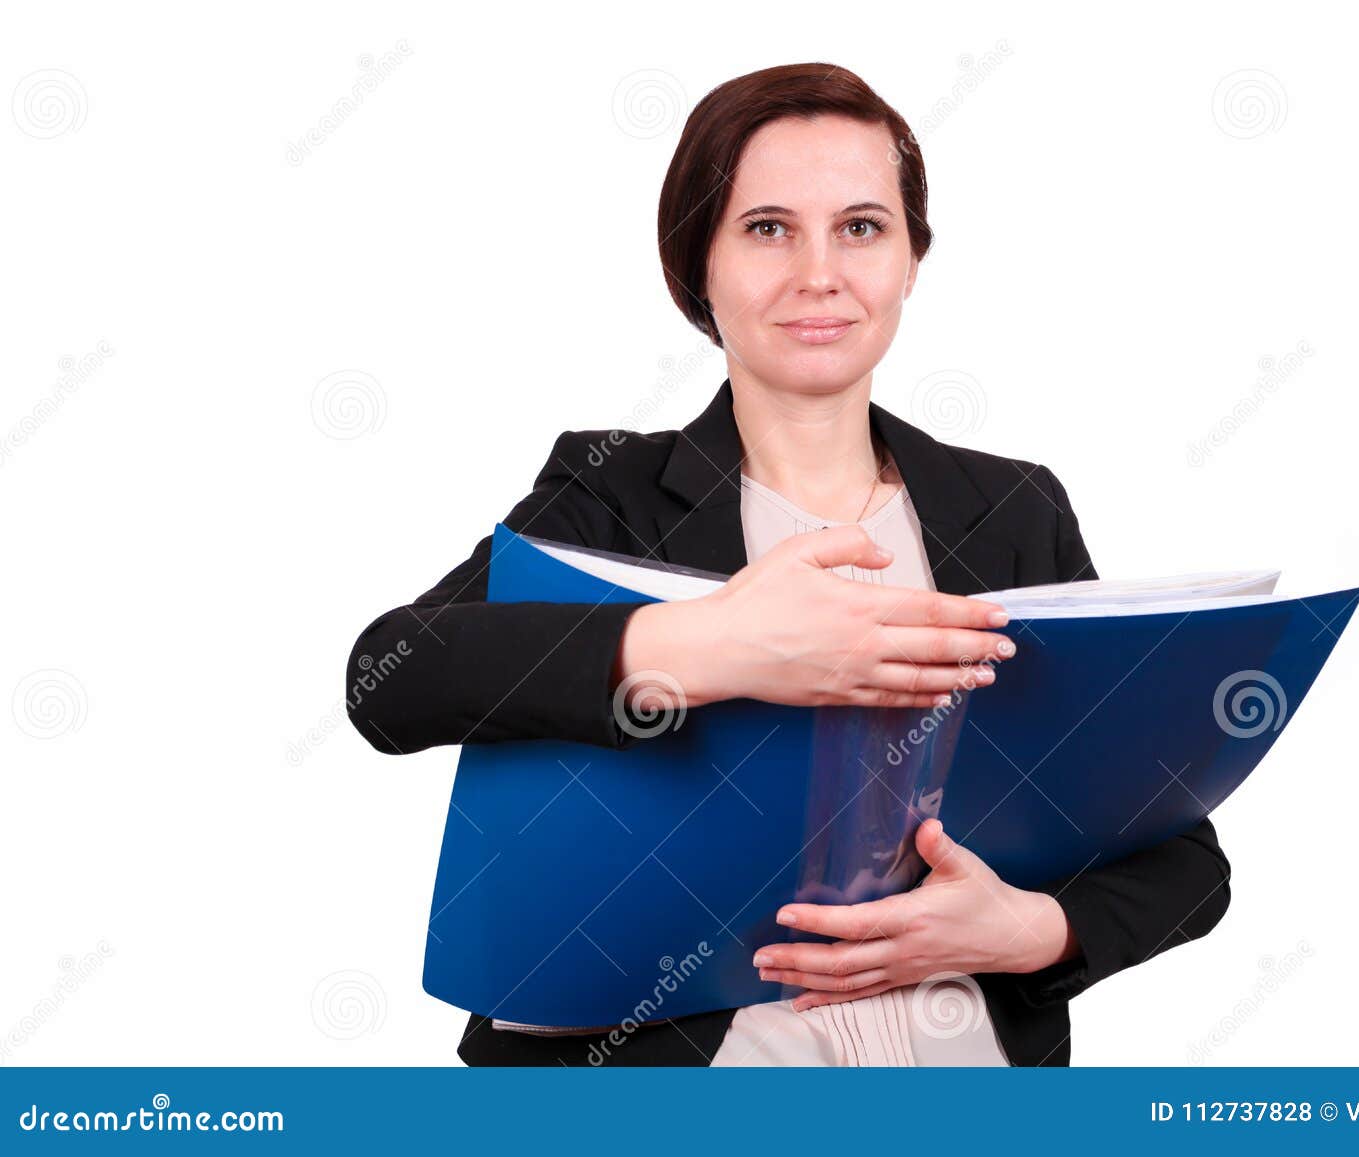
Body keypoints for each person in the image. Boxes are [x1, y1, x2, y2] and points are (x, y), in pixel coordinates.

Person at [346, 62, 1231, 1067]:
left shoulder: (1012, 510)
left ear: (908, 259)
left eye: (861, 227)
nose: (820, 272)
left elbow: (1180, 858)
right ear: (699, 267)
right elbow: (395, 673)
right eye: (767, 227)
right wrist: (703, 644)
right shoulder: (611, 495)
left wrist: (1027, 929)